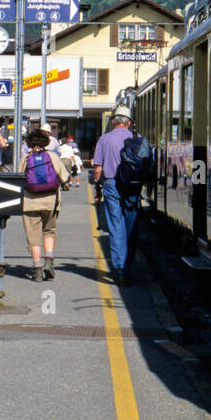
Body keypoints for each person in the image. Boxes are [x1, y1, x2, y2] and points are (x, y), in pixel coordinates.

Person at [91, 105, 138, 285]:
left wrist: (97, 187)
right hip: (133, 186)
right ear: (129, 123)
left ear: (113, 121)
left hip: (111, 184)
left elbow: (97, 169)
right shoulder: (137, 139)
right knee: (131, 227)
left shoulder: (104, 139)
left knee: (116, 227)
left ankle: (120, 270)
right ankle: (129, 266)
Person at [18, 128, 69, 281]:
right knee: (49, 232)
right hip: (50, 202)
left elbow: (19, 178)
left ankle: (37, 269)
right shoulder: (52, 156)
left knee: (33, 238)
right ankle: (49, 260)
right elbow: (64, 177)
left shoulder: (26, 158)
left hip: (30, 203)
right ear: (46, 142)